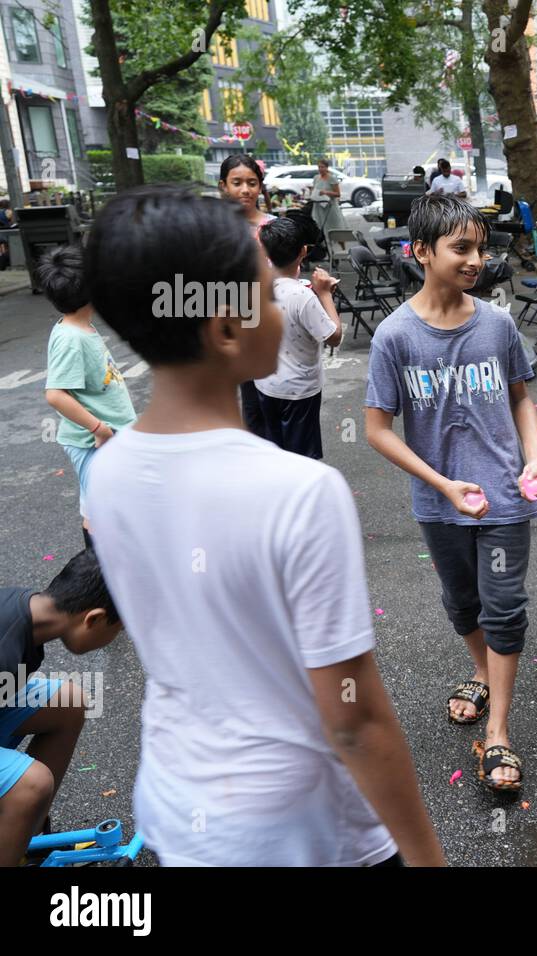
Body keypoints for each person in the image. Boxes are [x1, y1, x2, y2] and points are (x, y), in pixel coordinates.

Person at [81, 186, 445, 866]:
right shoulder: (299, 491)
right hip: (302, 831)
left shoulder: (108, 473)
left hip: (176, 810)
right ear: (224, 328)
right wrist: (426, 857)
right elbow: (355, 718)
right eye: (268, 296)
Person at [365, 194, 537, 791]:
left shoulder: (496, 324)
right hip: (439, 502)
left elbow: (521, 395)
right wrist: (442, 483)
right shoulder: (395, 337)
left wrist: (535, 454)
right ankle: (483, 671)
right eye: (461, 248)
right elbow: (376, 430)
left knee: (504, 607)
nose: (476, 259)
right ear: (421, 252)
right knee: (462, 604)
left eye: (481, 247)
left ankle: (498, 732)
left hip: (503, 498)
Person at [0, 549, 123, 866]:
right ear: (93, 618)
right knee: (32, 782)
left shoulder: (23, 611)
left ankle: (25, 835)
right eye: (117, 630)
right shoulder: (6, 652)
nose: (114, 639)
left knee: (69, 700)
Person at [40, 245, 137, 548]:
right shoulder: (72, 338)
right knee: (99, 510)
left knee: (105, 503)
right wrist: (99, 429)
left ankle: (111, 568)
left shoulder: (79, 326)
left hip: (107, 435)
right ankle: (100, 576)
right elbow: (55, 395)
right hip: (94, 440)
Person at [254, 216, 343, 459]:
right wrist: (325, 295)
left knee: (275, 452)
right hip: (298, 391)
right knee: (301, 458)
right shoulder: (303, 297)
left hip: (265, 385)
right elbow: (333, 336)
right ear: (303, 251)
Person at [218, 153, 277, 441]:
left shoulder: (274, 227)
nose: (245, 190)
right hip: (237, 327)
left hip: (276, 323)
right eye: (237, 182)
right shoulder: (216, 229)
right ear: (223, 186)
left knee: (282, 399)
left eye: (252, 183)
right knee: (252, 403)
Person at [309, 157, 347, 237]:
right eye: (319, 167)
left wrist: (326, 192)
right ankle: (325, 246)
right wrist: (312, 191)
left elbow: (338, 194)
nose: (320, 169)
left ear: (327, 167)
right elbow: (315, 190)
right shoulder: (316, 178)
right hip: (318, 206)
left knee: (335, 228)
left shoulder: (331, 178)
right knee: (320, 228)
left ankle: (342, 247)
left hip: (329, 207)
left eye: (322, 167)